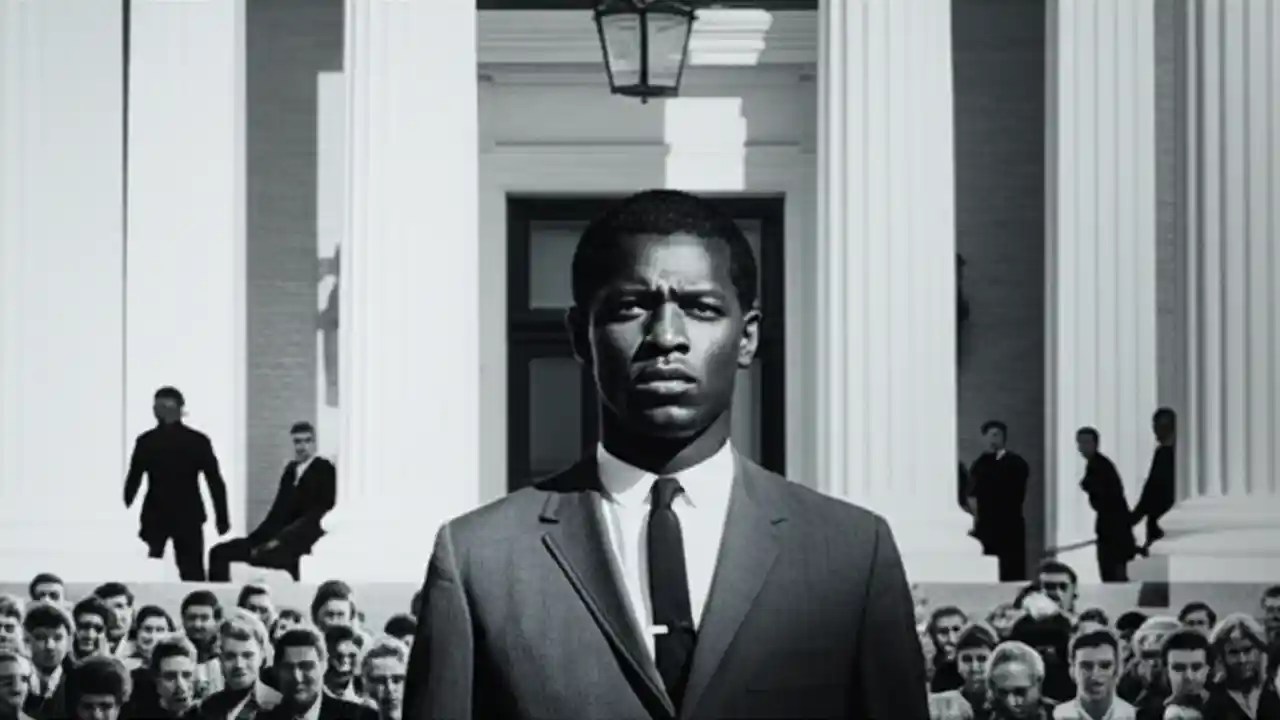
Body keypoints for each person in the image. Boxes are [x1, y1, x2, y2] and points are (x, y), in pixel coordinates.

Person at [403, 189, 926, 719]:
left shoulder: (853, 557)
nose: (666, 337)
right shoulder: (479, 561)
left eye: (700, 308)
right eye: (632, 307)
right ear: (580, 338)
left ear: (746, 339)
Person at [124, 386, 231, 581]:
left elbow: (215, 481)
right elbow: (133, 480)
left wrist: (222, 518)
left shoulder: (150, 441)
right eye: (158, 406)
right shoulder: (192, 441)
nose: (159, 411)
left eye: (164, 407)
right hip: (171, 515)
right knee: (165, 570)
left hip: (170, 515)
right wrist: (222, 518)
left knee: (173, 571)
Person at [208, 422, 336, 582]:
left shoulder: (324, 468)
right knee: (219, 552)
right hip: (274, 537)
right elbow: (277, 512)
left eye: (307, 441)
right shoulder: (291, 470)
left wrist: (280, 540)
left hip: (300, 539)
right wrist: (255, 540)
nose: (302, 446)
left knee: (268, 556)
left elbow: (318, 512)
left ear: (314, 442)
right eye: (297, 442)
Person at [967, 420, 1031, 581]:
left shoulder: (1015, 463)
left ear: (1003, 438)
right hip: (987, 524)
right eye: (989, 436)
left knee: (1011, 565)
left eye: (996, 435)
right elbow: (973, 492)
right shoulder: (979, 465)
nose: (992, 440)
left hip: (1009, 522)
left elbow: (1017, 491)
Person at [1075, 427, 1138, 582]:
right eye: (1080, 443)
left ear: (1096, 444)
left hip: (1113, 530)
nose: (1082, 447)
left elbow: (1105, 495)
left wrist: (1087, 485)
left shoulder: (1099, 465)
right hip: (1113, 528)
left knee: (1113, 575)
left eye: (1086, 442)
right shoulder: (1097, 464)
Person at [1053, 628, 1135, 719]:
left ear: (1117, 670)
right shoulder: (1056, 716)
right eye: (1086, 666)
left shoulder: (1133, 716)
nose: (1095, 675)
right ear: (1072, 670)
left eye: (1105, 666)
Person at [1131, 408, 1176, 552]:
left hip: (1160, 513)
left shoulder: (1165, 454)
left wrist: (1133, 518)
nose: (1156, 431)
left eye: (1161, 427)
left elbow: (1152, 487)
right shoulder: (1164, 452)